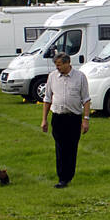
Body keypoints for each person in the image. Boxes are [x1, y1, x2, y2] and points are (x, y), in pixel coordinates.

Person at [41, 52, 90, 188]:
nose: (58, 68)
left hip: (73, 118)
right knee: (60, 147)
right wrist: (44, 119)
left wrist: (85, 119)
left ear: (68, 63)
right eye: (56, 65)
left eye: (60, 65)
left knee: (71, 147)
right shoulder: (52, 77)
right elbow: (47, 99)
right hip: (58, 118)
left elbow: (86, 100)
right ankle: (62, 178)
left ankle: (69, 175)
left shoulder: (80, 77)